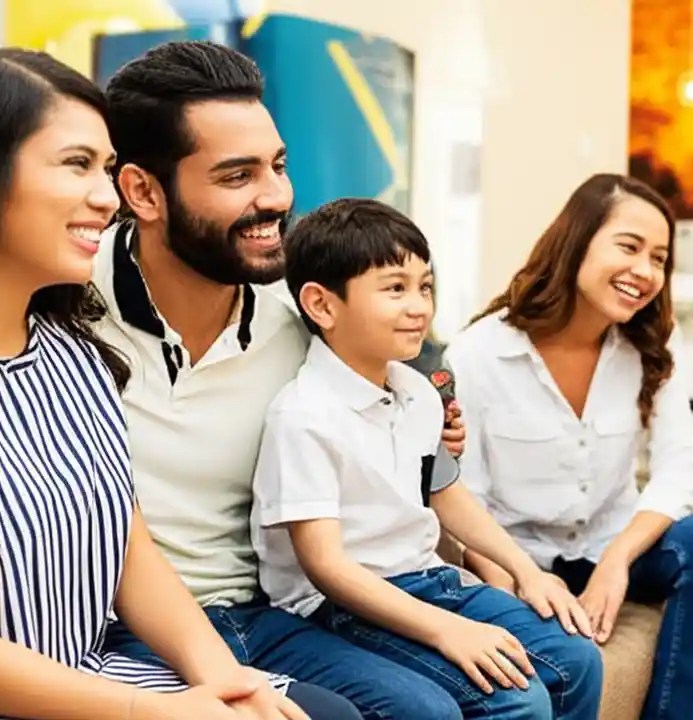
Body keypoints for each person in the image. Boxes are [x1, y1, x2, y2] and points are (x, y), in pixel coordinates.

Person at [0, 47, 332, 720]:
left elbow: (129, 551)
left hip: (97, 673)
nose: (105, 194)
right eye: (76, 165)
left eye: (107, 167)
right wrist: (157, 712)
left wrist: (228, 680)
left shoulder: (77, 358)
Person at [90, 41, 463, 718]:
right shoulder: (62, 305)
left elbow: (418, 394)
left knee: (434, 707)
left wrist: (434, 411)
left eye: (279, 166)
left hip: (263, 612)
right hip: (115, 626)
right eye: (238, 176)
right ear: (143, 191)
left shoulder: (309, 311)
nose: (277, 198)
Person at [253, 197, 604, 720]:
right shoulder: (304, 416)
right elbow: (325, 566)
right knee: (516, 697)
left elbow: (444, 492)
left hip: (426, 577)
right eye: (395, 288)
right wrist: (446, 630)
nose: (420, 306)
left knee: (578, 661)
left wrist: (523, 570)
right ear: (323, 305)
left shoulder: (415, 390)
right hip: (342, 607)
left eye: (425, 286)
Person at [445, 173, 693, 719]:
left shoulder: (652, 344)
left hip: (611, 543)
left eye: (659, 259)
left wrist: (619, 559)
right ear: (576, 242)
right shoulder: (480, 354)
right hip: (522, 562)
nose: (645, 272)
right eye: (628, 247)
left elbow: (683, 467)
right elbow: (467, 501)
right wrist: (516, 592)